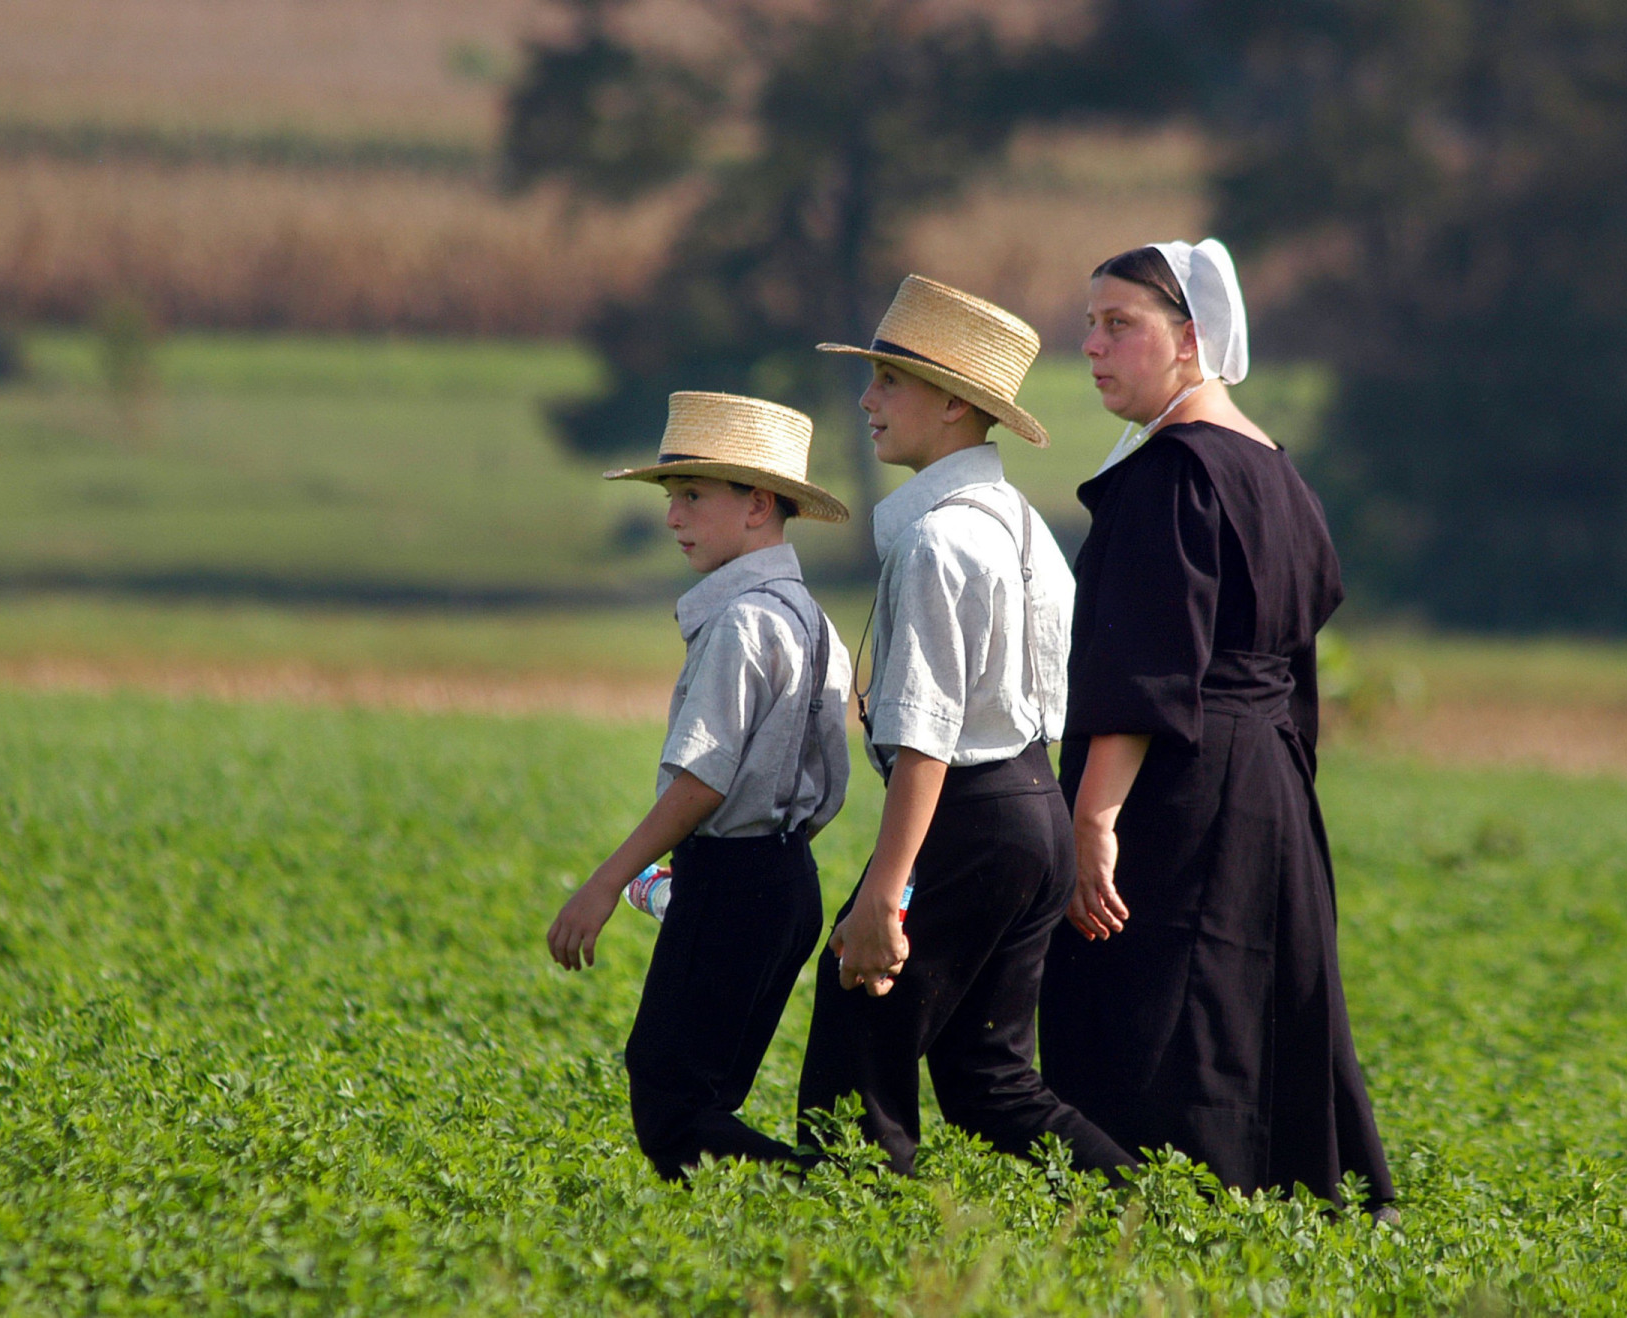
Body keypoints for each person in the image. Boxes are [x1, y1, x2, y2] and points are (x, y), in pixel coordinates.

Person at [1037, 239, 1396, 1216]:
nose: (1092, 346)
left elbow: (1148, 669)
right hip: (1271, 784)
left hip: (1179, 791)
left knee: (1161, 1012)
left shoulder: (1174, 474)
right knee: (1254, 1003)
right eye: (1090, 324)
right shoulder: (1277, 470)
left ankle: (1175, 1219)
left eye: (1121, 325)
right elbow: (1297, 656)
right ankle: (1275, 1214)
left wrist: (1094, 818)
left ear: (1190, 339)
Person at [795, 275, 1137, 1184]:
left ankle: (851, 1242)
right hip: (1032, 811)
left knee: (854, 1066)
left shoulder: (939, 541)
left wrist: (885, 892)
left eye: (889, 381)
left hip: (968, 820)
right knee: (989, 1079)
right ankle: (1154, 1214)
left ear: (953, 403)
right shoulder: (1023, 525)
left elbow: (927, 733)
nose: (866, 400)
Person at [546, 390, 854, 1181]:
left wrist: (607, 882)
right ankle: (808, 1210)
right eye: (670, 496)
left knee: (671, 1103)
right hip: (785, 877)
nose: (672, 517)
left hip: (735, 880)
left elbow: (703, 780)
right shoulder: (813, 619)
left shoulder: (744, 623)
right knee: (700, 1097)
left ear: (757, 505)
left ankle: (828, 1198)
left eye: (691, 495)